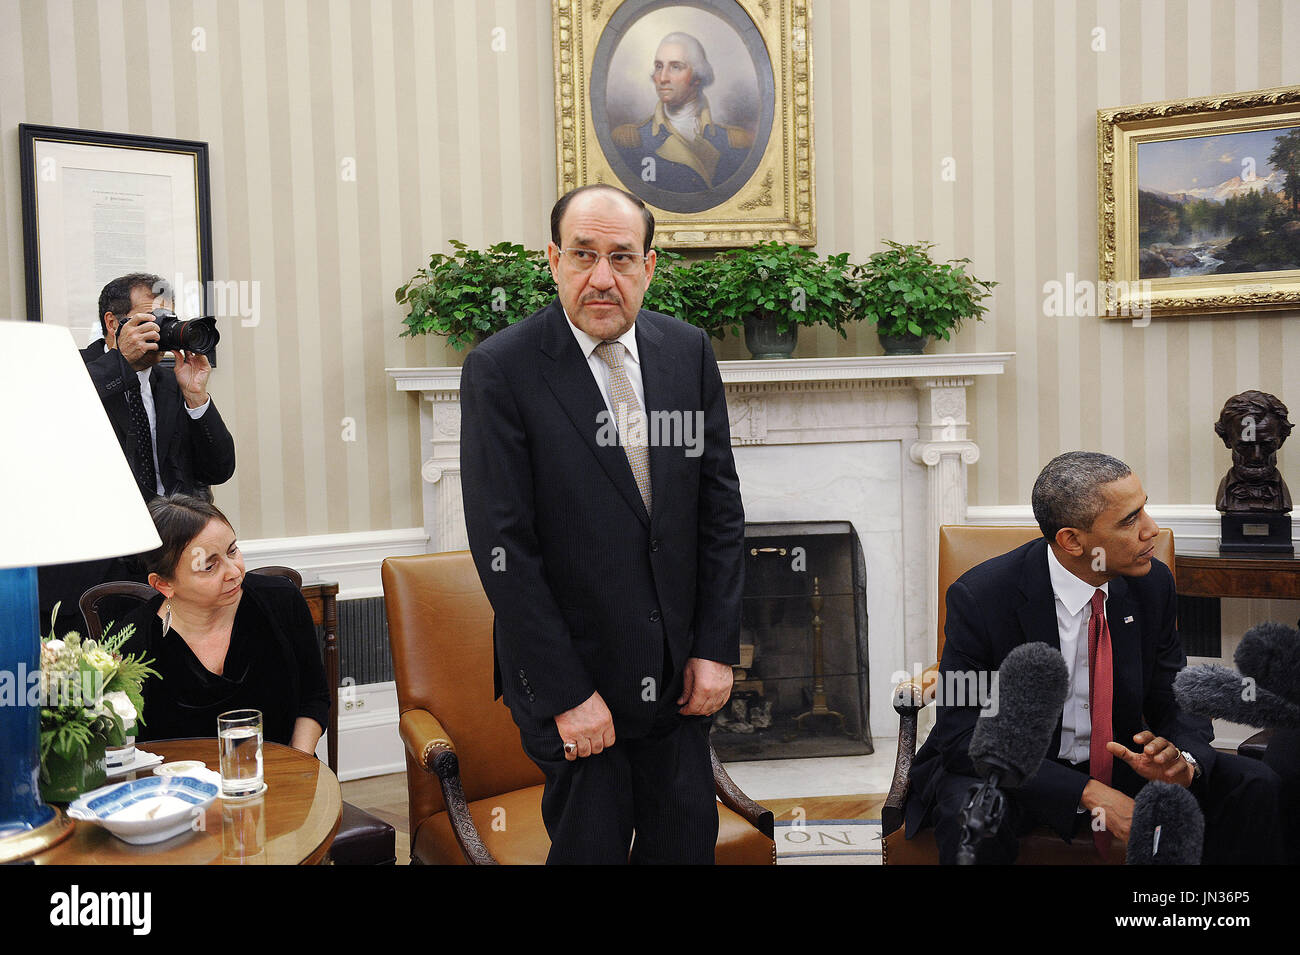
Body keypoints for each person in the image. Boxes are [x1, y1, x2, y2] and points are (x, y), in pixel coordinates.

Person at [459, 183, 745, 864]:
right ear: (553, 260)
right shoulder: (501, 370)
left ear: (649, 267)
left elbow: (719, 511)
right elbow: (506, 552)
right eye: (583, 255)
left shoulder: (687, 352)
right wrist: (568, 695)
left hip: (678, 683)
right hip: (575, 686)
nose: (601, 278)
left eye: (621, 258)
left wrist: (715, 646)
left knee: (684, 851)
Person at [903, 451, 1282, 863]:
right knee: (971, 820)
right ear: (1072, 540)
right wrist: (1086, 793)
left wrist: (1182, 760)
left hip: (1121, 761)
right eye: (1129, 520)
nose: (1151, 530)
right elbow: (962, 737)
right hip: (1021, 775)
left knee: (1253, 783)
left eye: (1145, 510)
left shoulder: (1152, 584)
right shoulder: (982, 597)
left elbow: (1174, 695)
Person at [38, 273, 237, 634]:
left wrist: (196, 398)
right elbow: (47, 426)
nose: (160, 331)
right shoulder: (67, 370)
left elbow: (219, 468)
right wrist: (121, 365)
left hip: (170, 561)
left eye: (167, 320)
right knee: (101, 687)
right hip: (93, 571)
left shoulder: (171, 381)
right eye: (150, 319)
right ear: (113, 323)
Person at [118, 495, 328, 753]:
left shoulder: (281, 600)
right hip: (180, 787)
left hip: (282, 775)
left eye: (232, 551)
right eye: (209, 566)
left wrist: (297, 764)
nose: (234, 571)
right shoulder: (134, 639)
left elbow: (313, 698)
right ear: (164, 584)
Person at [612, 32, 753, 193]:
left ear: (697, 77)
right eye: (659, 66)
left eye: (675, 67)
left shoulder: (735, 142)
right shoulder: (630, 140)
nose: (662, 77)